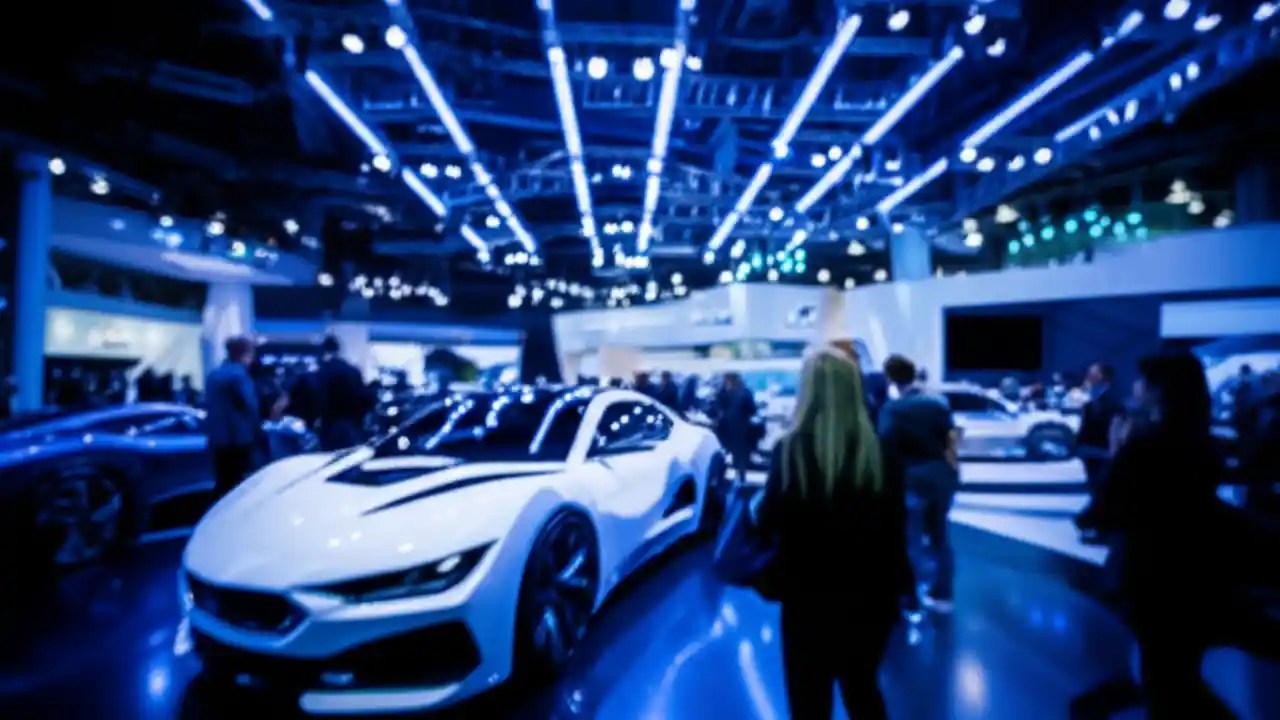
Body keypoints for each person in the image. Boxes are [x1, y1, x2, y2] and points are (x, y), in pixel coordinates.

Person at [1073, 352, 1235, 718]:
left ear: (1159, 389)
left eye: (1142, 381)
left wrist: (1117, 456)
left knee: (1164, 678)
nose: (1135, 387)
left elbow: (1104, 510)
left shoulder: (1146, 444)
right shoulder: (1204, 443)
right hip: (1190, 568)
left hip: (1146, 570)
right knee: (1174, 671)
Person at [754, 349, 913, 719]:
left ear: (806, 390)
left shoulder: (789, 452)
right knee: (863, 691)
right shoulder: (881, 452)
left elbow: (769, 524)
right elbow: (895, 528)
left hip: (806, 601)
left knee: (808, 702)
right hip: (871, 600)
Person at [878, 353, 958, 611]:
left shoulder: (894, 409)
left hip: (912, 477)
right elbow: (951, 442)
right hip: (942, 474)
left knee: (911, 538)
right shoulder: (940, 404)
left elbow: (885, 446)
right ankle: (944, 593)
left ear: (890, 378)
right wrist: (954, 474)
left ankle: (911, 597)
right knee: (940, 535)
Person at [204, 336, 260, 496]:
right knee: (240, 487)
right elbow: (250, 407)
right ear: (245, 354)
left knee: (222, 484)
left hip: (216, 440)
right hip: (238, 440)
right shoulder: (239, 376)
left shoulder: (213, 375)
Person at [313, 335, 373, 451]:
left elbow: (318, 397)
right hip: (352, 423)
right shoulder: (352, 370)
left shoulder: (324, 371)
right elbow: (365, 397)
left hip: (330, 423)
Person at [1077, 362, 1124, 496]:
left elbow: (1115, 423)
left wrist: (1113, 448)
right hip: (1090, 448)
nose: (1088, 376)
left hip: (1102, 448)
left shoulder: (1112, 398)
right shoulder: (1091, 395)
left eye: (1093, 373)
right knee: (1093, 482)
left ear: (1104, 376)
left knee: (1102, 484)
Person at [715, 372, 758, 482]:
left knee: (735, 454)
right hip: (739, 428)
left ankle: (736, 478)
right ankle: (739, 477)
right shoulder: (744, 392)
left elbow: (718, 408)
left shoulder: (725, 392)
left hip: (731, 428)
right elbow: (752, 409)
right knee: (739, 455)